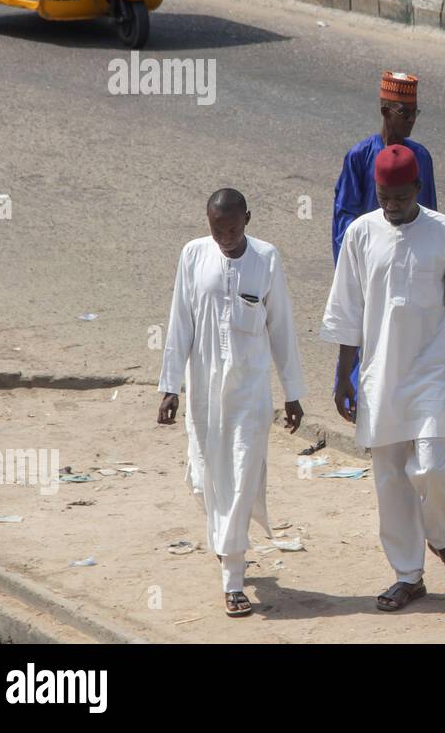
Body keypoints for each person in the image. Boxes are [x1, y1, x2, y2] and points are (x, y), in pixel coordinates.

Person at [322, 144, 445, 613]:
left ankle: (443, 539)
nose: (391, 205)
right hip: (380, 375)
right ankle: (407, 575)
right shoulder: (361, 233)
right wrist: (343, 378)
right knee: (390, 479)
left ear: (417, 189)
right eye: (383, 196)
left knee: (435, 465)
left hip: (433, 371)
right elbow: (347, 313)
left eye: (399, 196)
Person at [156, 189, 306, 619]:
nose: (224, 236)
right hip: (203, 389)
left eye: (233, 228)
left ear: (248, 220)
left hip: (250, 393)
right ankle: (226, 538)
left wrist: (292, 393)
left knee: (240, 477)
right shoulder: (193, 255)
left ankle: (233, 578)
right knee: (203, 480)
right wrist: (170, 387)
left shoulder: (267, 259)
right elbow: (179, 321)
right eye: (216, 228)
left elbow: (282, 329)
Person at [332, 71, 438, 406]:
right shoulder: (360, 156)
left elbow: (431, 215)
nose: (409, 122)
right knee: (364, 336)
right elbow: (343, 219)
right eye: (403, 113)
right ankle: (358, 403)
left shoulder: (421, 158)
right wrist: (354, 270)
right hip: (370, 267)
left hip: (409, 268)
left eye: (414, 113)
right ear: (384, 111)